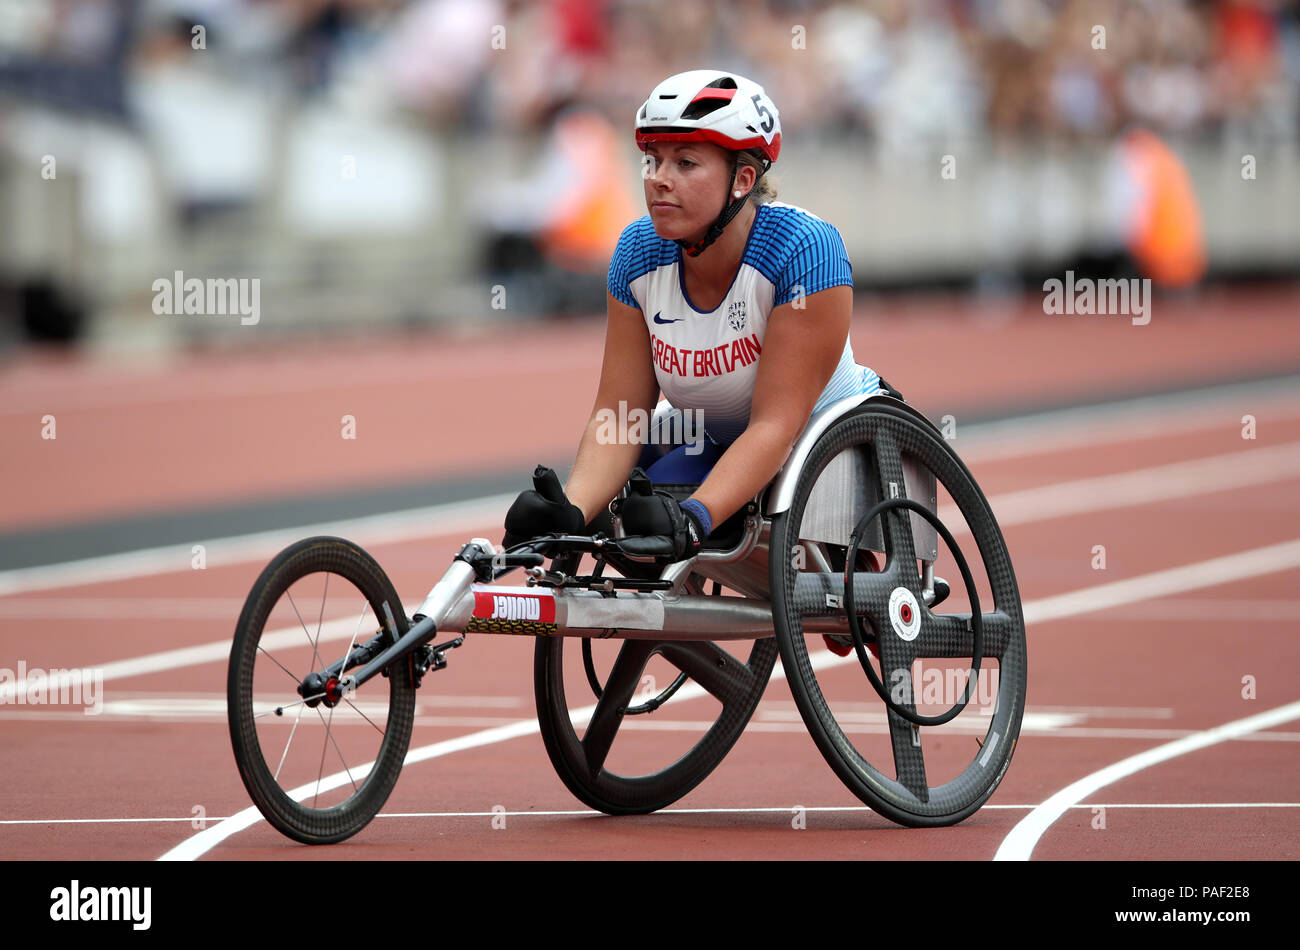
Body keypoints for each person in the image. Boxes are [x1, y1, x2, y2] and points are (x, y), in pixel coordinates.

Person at [503, 69, 883, 560]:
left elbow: (775, 425)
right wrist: (571, 511)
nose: (659, 178)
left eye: (685, 163)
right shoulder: (637, 251)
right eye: (652, 160)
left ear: (743, 179)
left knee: (665, 515)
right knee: (624, 521)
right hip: (713, 434)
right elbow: (621, 414)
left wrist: (693, 518)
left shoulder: (805, 249)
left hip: (822, 440)